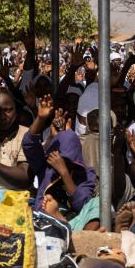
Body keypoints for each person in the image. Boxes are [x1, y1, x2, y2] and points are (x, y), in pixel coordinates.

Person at [23, 95, 98, 231]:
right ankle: (55, 218)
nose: (60, 161)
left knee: (97, 204)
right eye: (59, 157)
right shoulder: (46, 167)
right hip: (42, 218)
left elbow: (81, 204)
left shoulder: (87, 174)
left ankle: (61, 221)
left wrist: (64, 173)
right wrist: (41, 118)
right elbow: (29, 145)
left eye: (67, 160)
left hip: (73, 222)